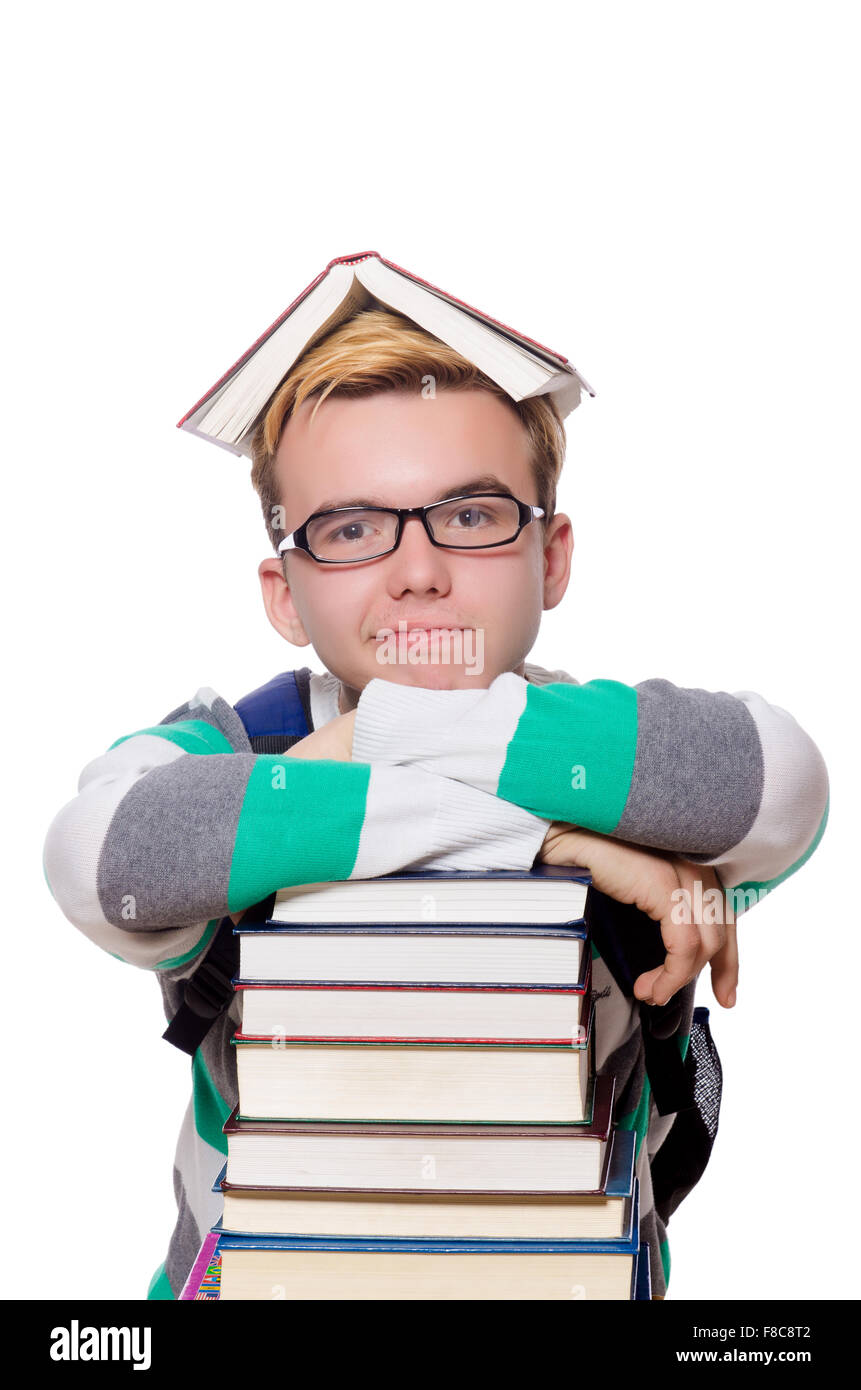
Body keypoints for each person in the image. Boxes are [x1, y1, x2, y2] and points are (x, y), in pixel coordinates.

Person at [42, 307, 829, 1300]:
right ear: (284, 592)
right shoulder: (230, 750)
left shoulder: (624, 761)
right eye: (353, 529)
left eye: (470, 515)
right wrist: (547, 842)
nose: (418, 574)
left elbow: (783, 781)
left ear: (552, 556)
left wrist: (374, 740)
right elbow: (99, 859)